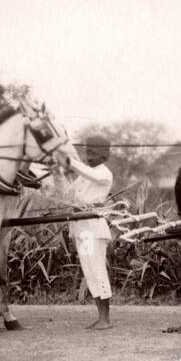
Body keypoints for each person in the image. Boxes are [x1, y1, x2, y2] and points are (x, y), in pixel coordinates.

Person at [56, 134, 116, 330]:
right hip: (81, 230)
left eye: (93, 153)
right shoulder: (84, 174)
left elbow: (92, 175)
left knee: (97, 271)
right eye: (87, 152)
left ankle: (106, 319)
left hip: (93, 230)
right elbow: (68, 193)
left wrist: (69, 161)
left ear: (103, 155)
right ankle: (100, 317)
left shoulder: (103, 173)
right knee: (90, 273)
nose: (89, 157)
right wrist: (58, 173)